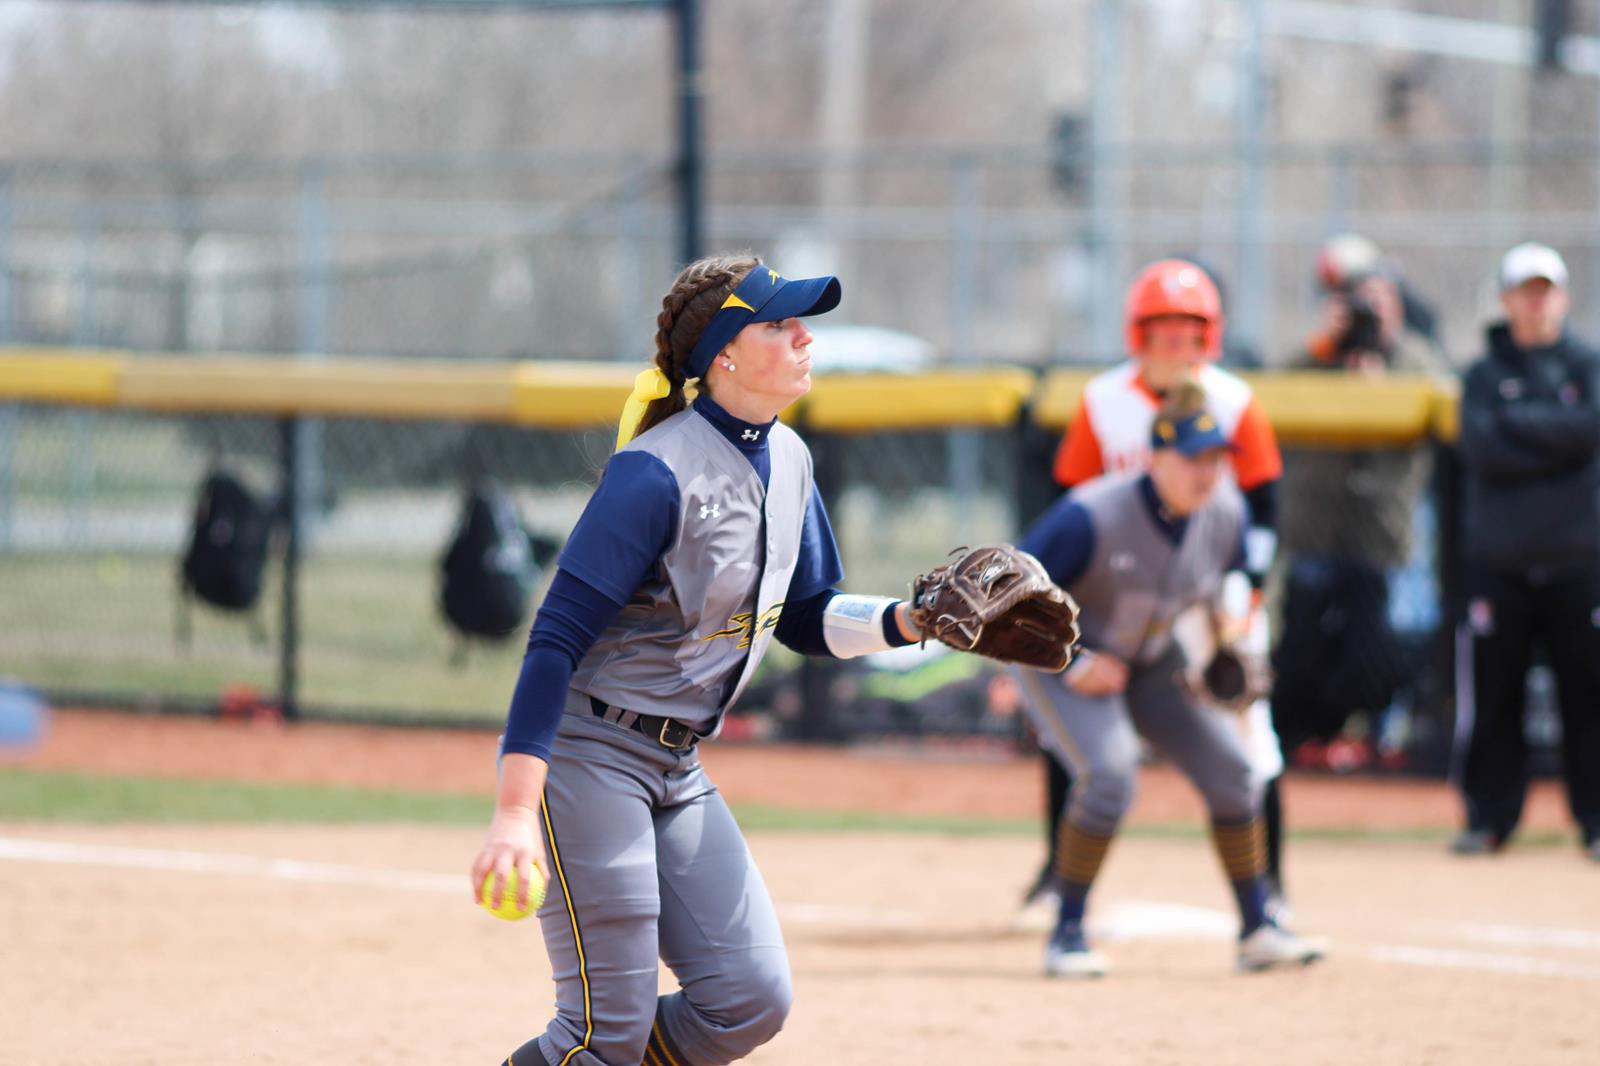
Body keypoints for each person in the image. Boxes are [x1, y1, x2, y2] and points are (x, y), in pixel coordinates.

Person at [470, 255, 936, 1066]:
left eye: (803, 323)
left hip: (679, 769)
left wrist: (912, 621)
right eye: (779, 324)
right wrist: (516, 811)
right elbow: (554, 641)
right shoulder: (653, 473)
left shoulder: (790, 461)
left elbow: (805, 617)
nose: (803, 337)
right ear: (724, 352)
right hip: (592, 759)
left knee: (749, 999)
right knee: (604, 1032)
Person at [1013, 381, 1324, 976]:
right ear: (1155, 456)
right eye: (1191, 457)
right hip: (1058, 658)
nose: (1205, 472)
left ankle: (1258, 927)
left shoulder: (1225, 513)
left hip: (1149, 657)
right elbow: (1008, 595)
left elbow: (1229, 576)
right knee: (1109, 775)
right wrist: (1074, 662)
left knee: (1236, 772)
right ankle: (1068, 934)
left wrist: (1227, 634)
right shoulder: (1091, 515)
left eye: (1215, 458)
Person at [1026, 259, 1289, 919]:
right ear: (1137, 333)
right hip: (1108, 592)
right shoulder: (1103, 402)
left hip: (1202, 589)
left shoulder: (1233, 402)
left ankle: (1269, 892)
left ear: (1211, 336)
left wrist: (1242, 599)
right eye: (1162, 328)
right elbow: (1066, 504)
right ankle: (1059, 878)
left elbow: (1264, 511)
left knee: (1248, 742)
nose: (1176, 341)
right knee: (1086, 750)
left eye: (1190, 328)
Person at [1274, 238, 1447, 772]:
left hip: (1382, 533)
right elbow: (1276, 395)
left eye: (1381, 301)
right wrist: (1326, 344)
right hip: (1315, 527)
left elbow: (1440, 404)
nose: (1371, 315)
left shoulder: (1413, 358)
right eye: (1360, 303)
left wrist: (1381, 385)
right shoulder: (1317, 357)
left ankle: (1376, 737)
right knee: (1302, 635)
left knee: (1377, 647)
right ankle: (1299, 736)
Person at [1452, 242, 1600, 863]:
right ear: (1507, 299)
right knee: (1495, 698)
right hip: (1501, 563)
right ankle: (1489, 819)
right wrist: (1561, 442)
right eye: (1525, 291)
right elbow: (1483, 448)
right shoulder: (1483, 373)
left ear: (1562, 297)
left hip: (1578, 559)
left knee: (1588, 696)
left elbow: (1593, 428)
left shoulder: (1587, 362)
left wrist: (1521, 422)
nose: (1536, 303)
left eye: (1546, 290)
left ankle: (1595, 821)